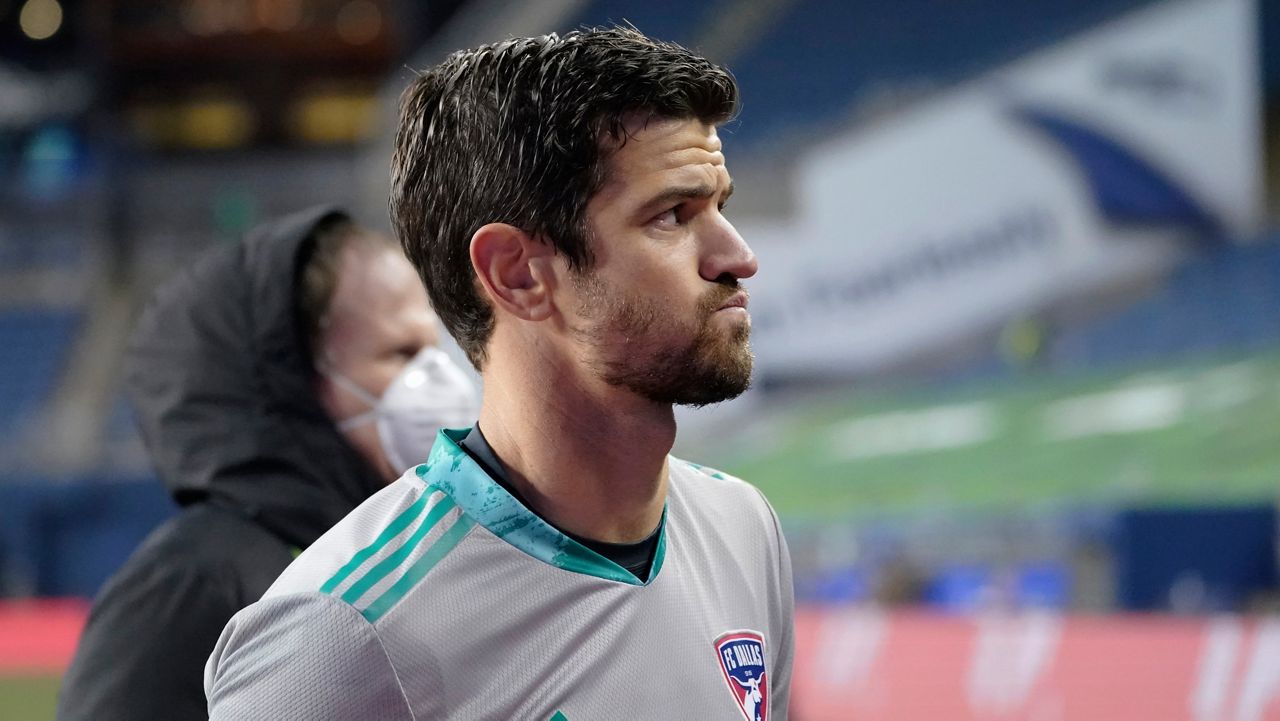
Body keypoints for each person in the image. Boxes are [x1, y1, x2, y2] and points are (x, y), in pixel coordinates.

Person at [205, 27, 794, 720]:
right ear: (518, 275)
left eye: (718, 206)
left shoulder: (743, 528)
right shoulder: (339, 636)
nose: (738, 255)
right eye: (672, 214)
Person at [57, 207, 476, 721]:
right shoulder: (191, 581)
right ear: (291, 380)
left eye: (435, 352)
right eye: (401, 353)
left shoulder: (405, 552)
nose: (441, 381)